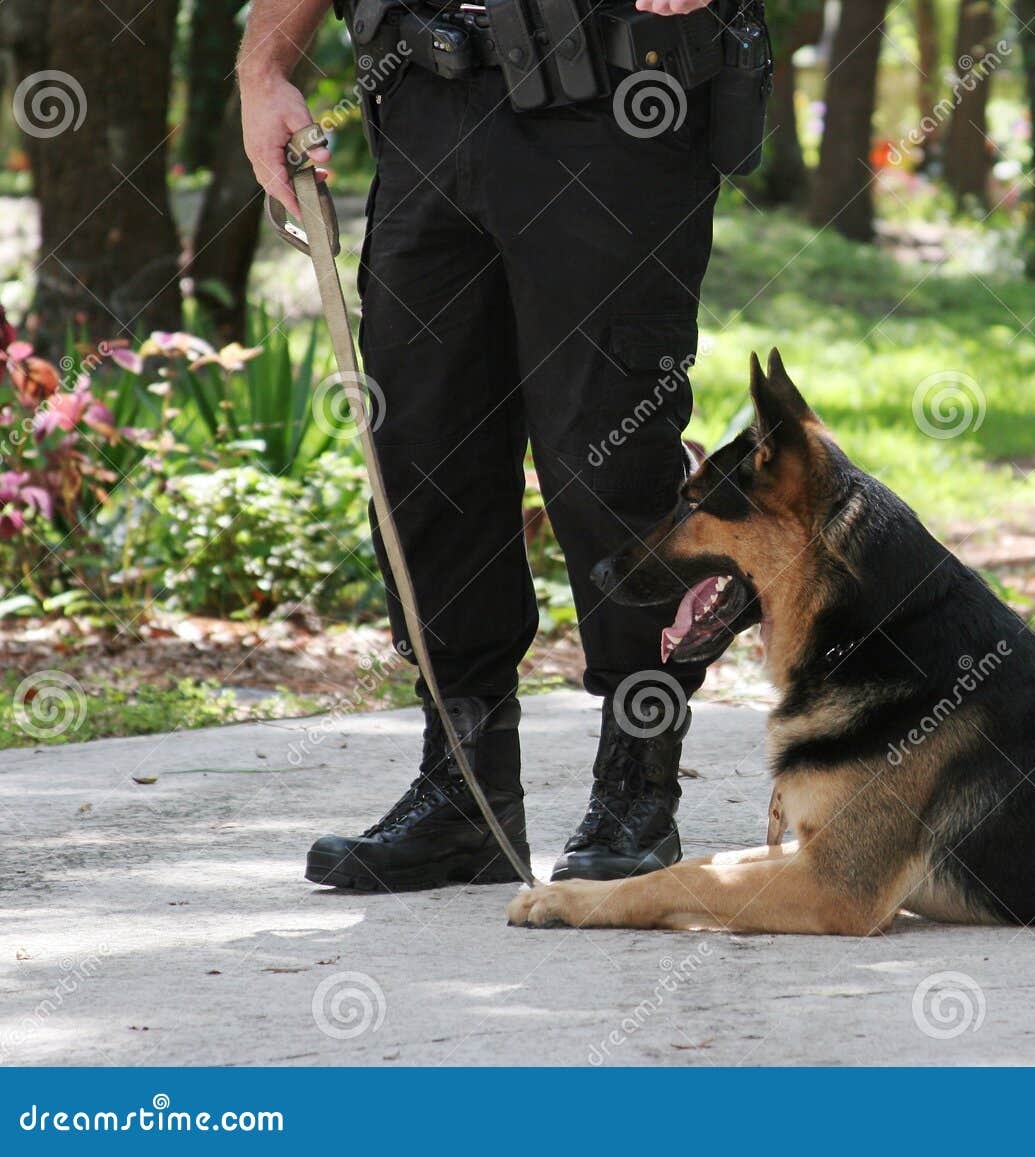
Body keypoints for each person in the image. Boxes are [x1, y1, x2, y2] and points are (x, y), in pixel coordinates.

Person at [239, 0, 738, 891]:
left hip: (614, 99)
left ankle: (638, 783)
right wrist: (265, 72)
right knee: (424, 455)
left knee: (607, 455)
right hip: (424, 99)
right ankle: (462, 790)